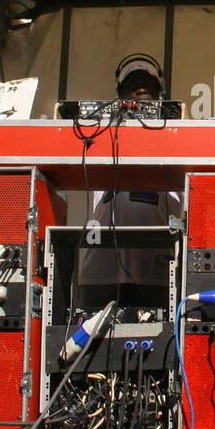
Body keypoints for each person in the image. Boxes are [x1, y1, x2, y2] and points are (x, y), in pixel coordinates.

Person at [73, 54, 181, 310]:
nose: (141, 88)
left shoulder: (177, 133)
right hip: (102, 271)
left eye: (149, 83)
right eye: (132, 84)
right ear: (119, 94)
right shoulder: (100, 131)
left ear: (160, 93)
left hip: (157, 272)